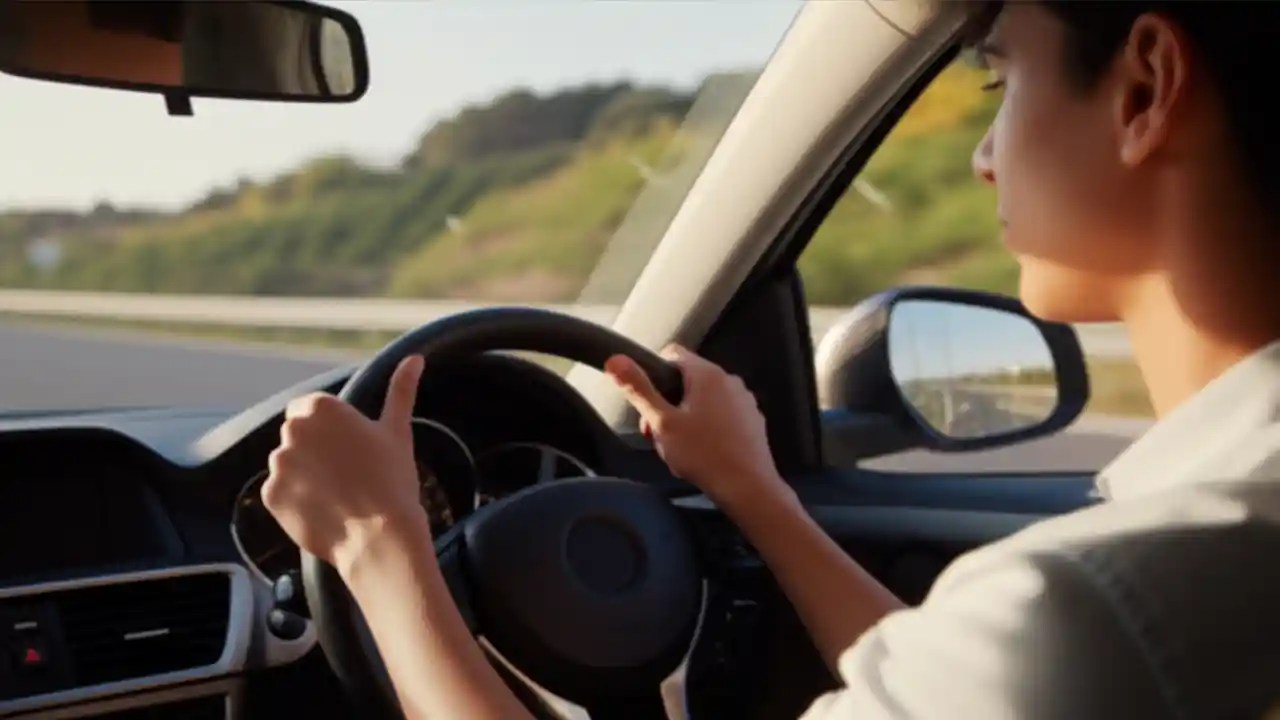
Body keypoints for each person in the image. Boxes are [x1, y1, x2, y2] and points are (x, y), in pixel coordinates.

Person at [260, 1, 1280, 717]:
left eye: (998, 77)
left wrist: (378, 548)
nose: (980, 155)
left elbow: (1035, 658)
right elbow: (943, 687)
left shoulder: (1091, 613)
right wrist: (754, 493)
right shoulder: (1167, 581)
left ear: (1144, 86)